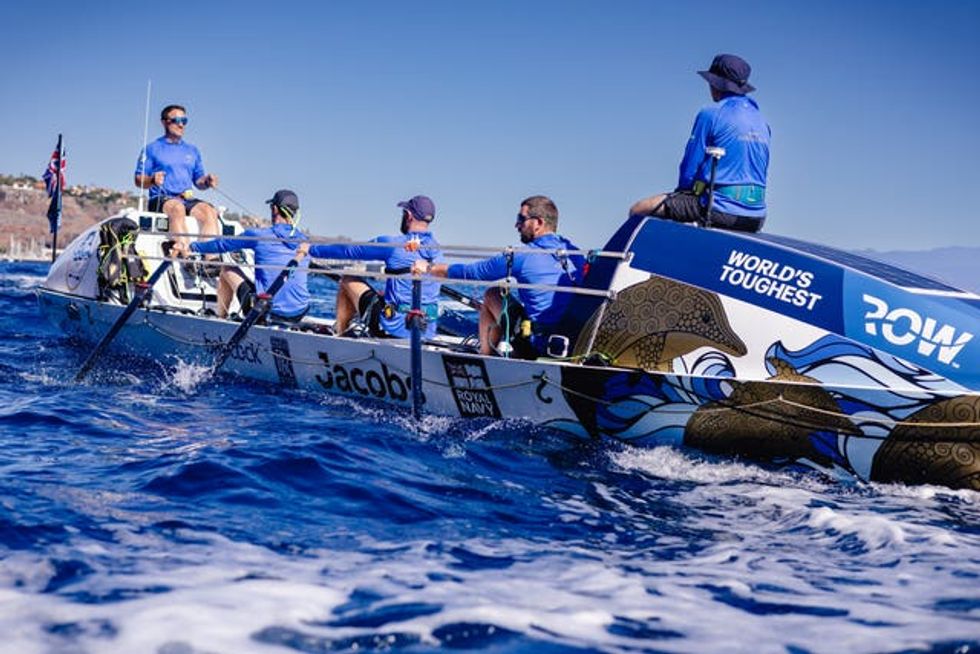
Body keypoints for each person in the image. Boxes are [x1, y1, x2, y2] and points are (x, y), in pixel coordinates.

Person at [413, 195, 584, 358]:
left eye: (521, 219)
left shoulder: (523, 255)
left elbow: (473, 273)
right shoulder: (576, 255)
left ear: (538, 223)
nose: (516, 225)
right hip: (574, 345)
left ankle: (486, 358)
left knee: (493, 294)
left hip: (538, 346)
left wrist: (428, 267)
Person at [629, 54, 770, 232]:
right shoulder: (762, 122)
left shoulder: (711, 113)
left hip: (717, 209)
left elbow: (689, 168)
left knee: (638, 209)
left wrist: (681, 195)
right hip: (756, 217)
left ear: (716, 84)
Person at [308, 195, 444, 338]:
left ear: (408, 215)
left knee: (348, 279)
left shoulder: (393, 244)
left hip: (393, 328)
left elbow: (348, 251)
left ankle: (340, 335)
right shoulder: (438, 252)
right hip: (427, 332)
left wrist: (311, 250)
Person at [171, 189, 310, 323]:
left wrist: (191, 247)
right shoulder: (305, 242)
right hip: (300, 312)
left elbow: (221, 245)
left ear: (274, 209)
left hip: (266, 311)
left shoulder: (259, 235)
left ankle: (220, 319)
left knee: (226, 269)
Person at [134, 104, 222, 247]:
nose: (181, 125)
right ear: (164, 122)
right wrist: (152, 180)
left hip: (186, 198)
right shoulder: (151, 149)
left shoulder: (192, 150)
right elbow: (138, 180)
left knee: (209, 211)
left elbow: (198, 181)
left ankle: (210, 258)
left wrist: (207, 181)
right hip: (161, 199)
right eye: (176, 120)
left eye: (184, 121)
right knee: (177, 208)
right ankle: (184, 253)